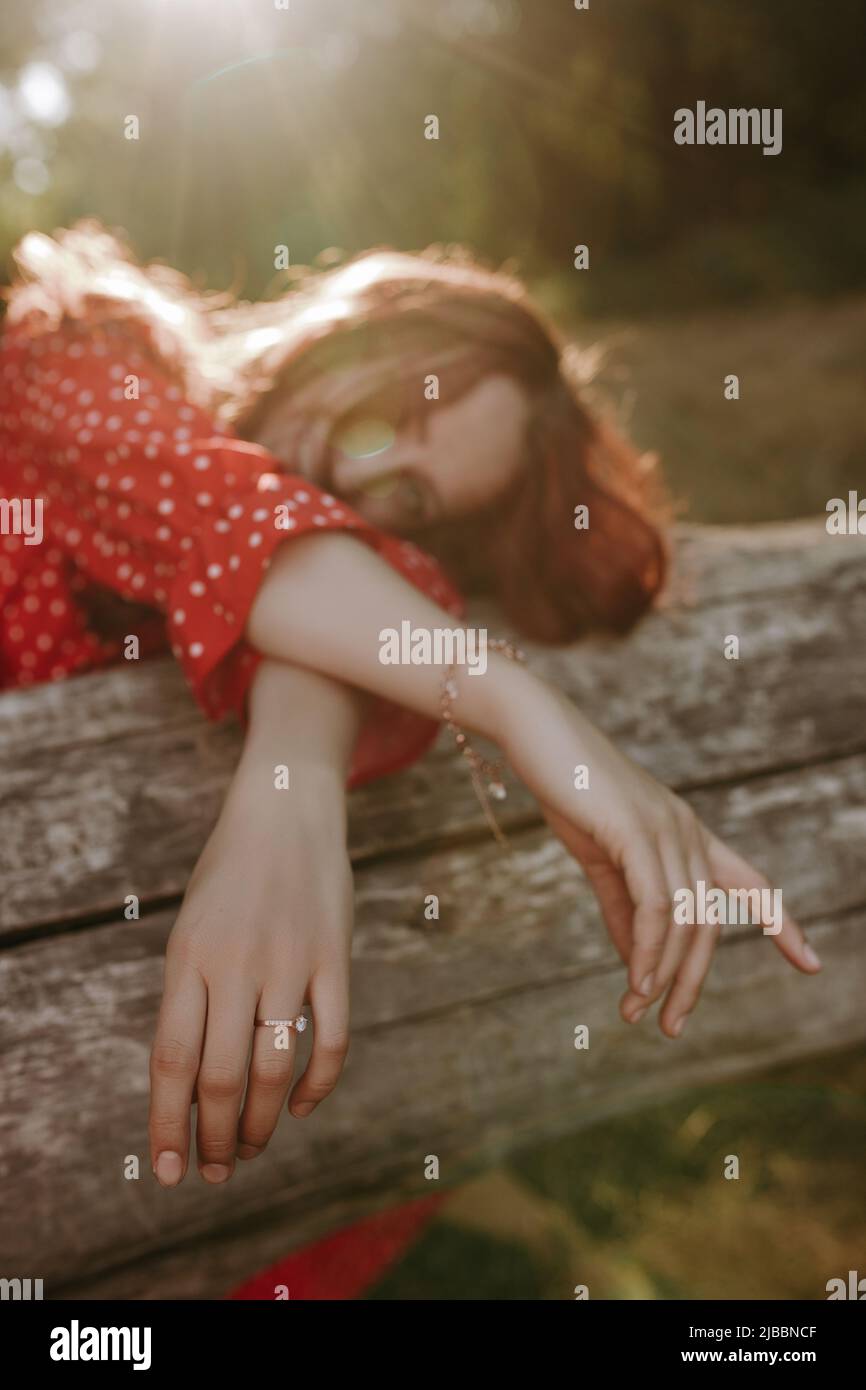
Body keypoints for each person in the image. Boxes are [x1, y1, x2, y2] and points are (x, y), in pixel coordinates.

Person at [0, 221, 821, 1191]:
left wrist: (292, 771)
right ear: (367, 324)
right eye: (402, 403)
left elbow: (343, 567)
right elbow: (222, 511)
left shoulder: (359, 583)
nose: (363, 470)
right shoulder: (94, 349)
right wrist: (531, 716)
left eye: (413, 497)